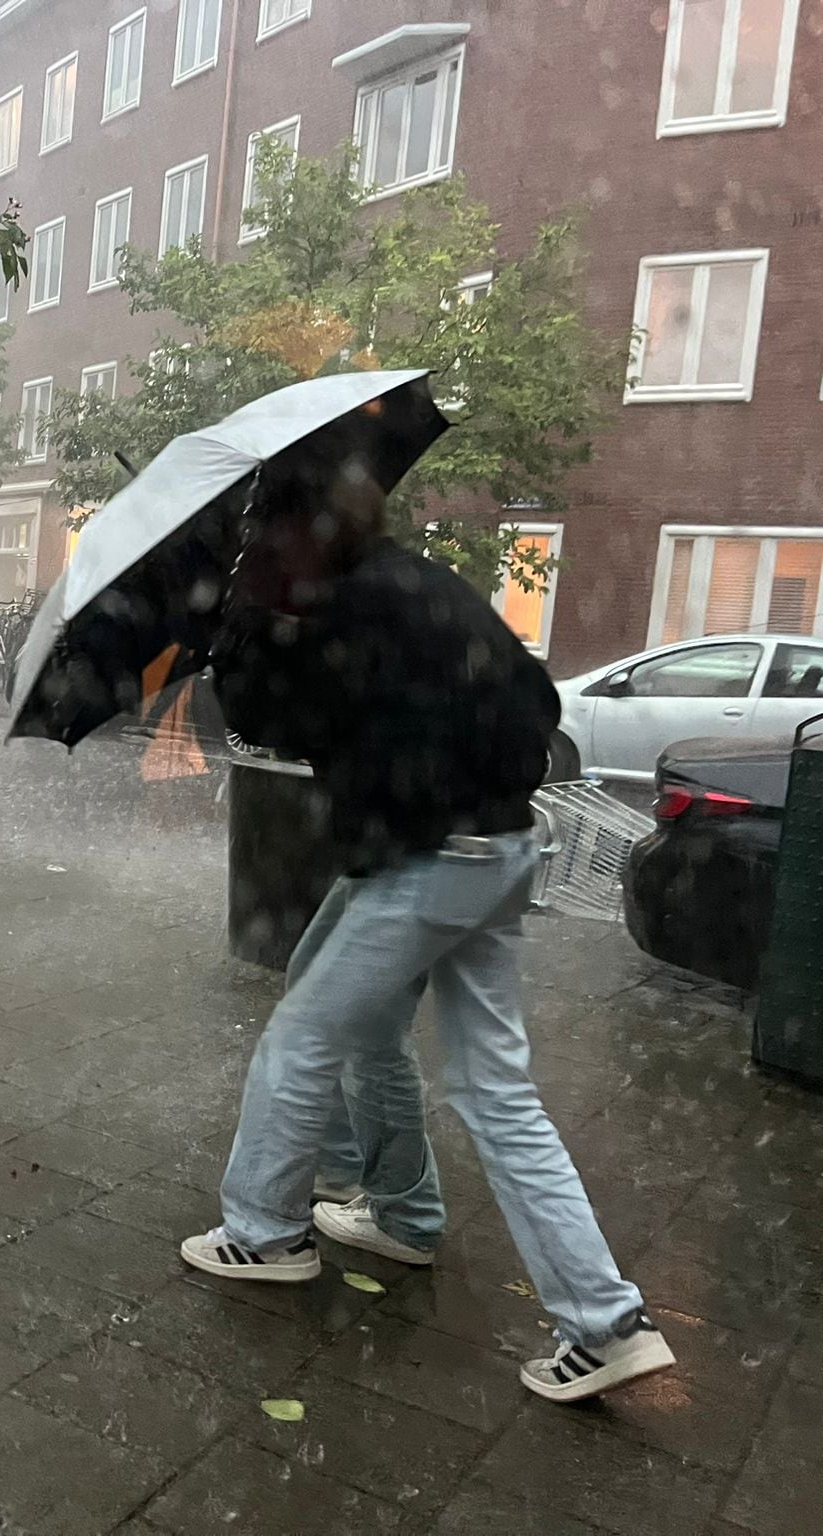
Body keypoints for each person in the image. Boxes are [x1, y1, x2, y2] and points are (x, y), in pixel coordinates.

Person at [179, 455, 673, 1404]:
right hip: (501, 846)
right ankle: (460, 1243)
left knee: (301, 1039)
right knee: (488, 1086)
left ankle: (264, 1231)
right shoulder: (417, 580)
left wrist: (230, 635)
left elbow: (271, 724)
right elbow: (534, 702)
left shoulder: (329, 612)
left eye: (265, 533)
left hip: (426, 860)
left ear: (294, 532)